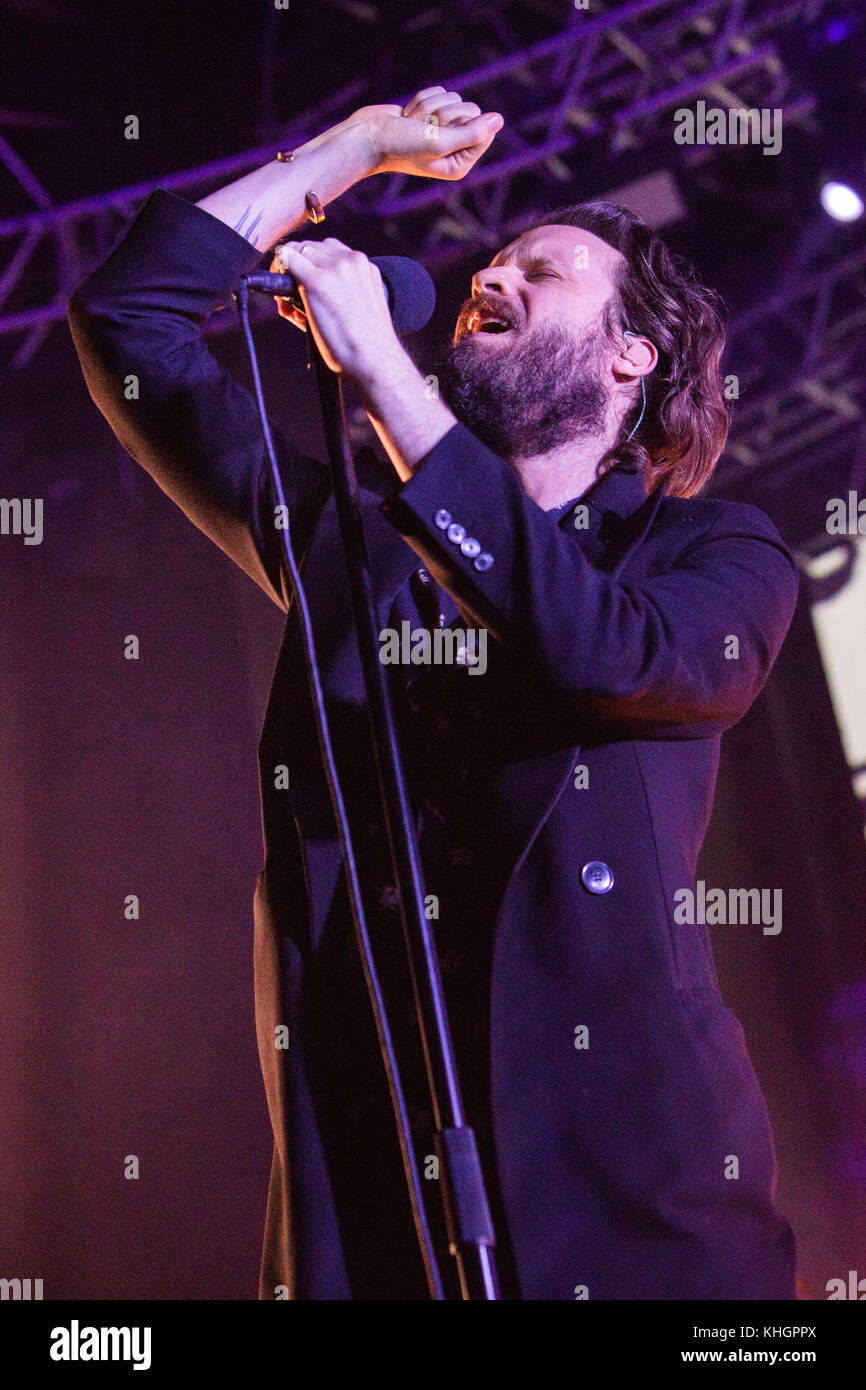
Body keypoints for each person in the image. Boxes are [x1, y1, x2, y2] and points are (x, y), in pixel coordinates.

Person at [68, 86, 799, 1300]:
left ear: (634, 354)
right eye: (488, 264)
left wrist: (387, 388)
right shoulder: (349, 553)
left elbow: (605, 657)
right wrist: (348, 152)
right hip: (375, 1217)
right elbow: (125, 321)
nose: (488, 280)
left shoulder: (712, 556)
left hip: (636, 1228)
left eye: (541, 271)